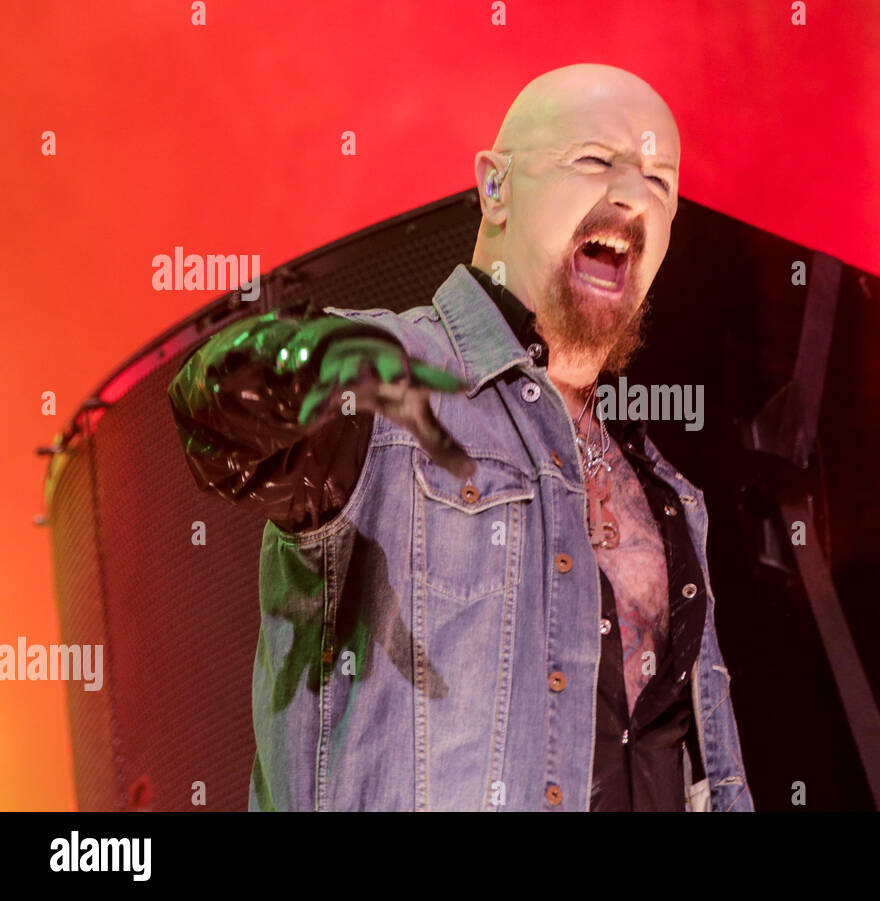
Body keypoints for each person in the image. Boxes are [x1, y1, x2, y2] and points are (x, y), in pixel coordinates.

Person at [168, 63, 751, 812]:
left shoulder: (670, 496)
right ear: (496, 188)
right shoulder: (390, 385)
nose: (633, 195)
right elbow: (219, 415)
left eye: (660, 181)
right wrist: (269, 371)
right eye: (596, 160)